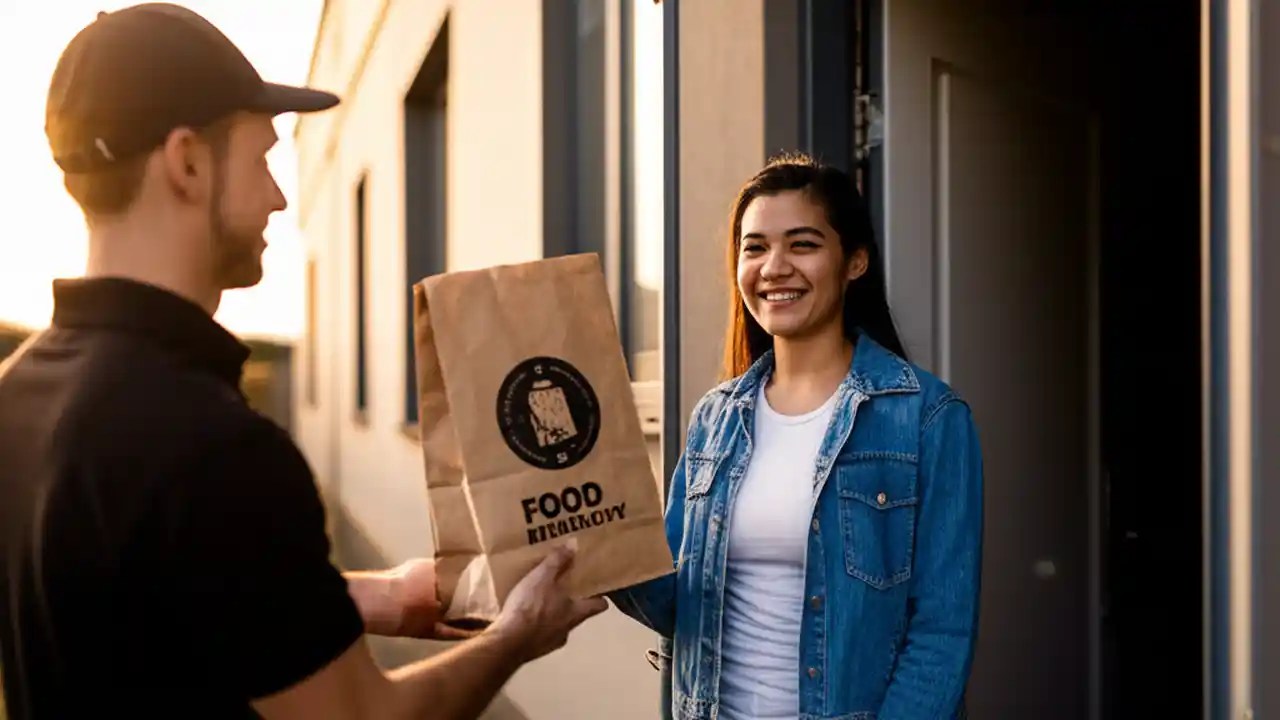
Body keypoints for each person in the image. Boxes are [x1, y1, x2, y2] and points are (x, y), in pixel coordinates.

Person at [0, 5, 605, 719]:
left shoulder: (20, 396)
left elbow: (147, 592)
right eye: (261, 157)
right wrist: (515, 638)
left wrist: (379, 597)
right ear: (187, 163)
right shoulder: (214, 447)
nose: (279, 196)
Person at [610, 153, 984, 719]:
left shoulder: (929, 418)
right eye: (754, 247)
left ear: (854, 261)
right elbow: (677, 605)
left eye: (803, 244)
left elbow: (941, 635)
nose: (774, 266)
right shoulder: (714, 419)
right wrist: (603, 545)